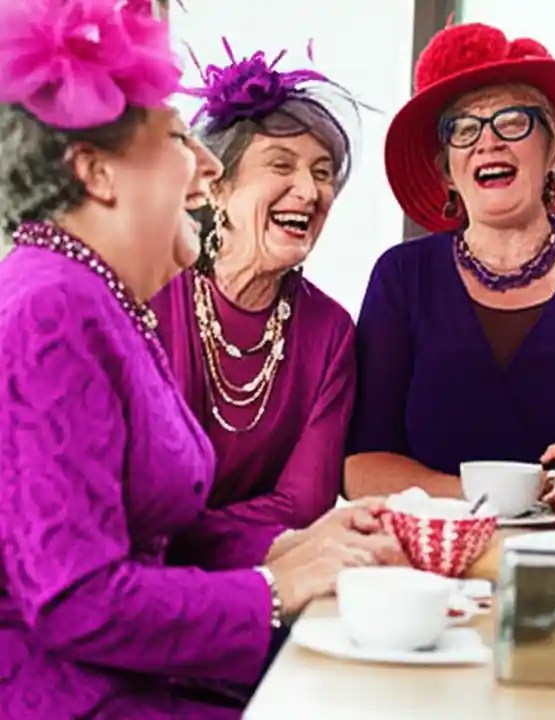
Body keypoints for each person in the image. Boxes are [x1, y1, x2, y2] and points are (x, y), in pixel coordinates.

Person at [0, 3, 394, 717]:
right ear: (97, 172)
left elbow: (157, 535)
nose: (208, 165)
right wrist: (276, 589)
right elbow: (76, 600)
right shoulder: (50, 308)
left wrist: (299, 544)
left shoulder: (98, 299)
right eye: (181, 139)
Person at [345, 22, 555, 499]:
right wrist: (499, 497)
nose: (488, 142)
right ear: (447, 170)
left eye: (511, 121)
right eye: (463, 129)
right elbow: (362, 469)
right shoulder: (401, 276)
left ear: (554, 150)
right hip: (432, 555)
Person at [152, 39, 360, 534]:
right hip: (132, 578)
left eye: (323, 172)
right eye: (281, 165)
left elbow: (304, 504)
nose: (310, 192)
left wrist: (192, 546)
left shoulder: (330, 330)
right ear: (217, 187)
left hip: (263, 576)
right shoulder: (150, 296)